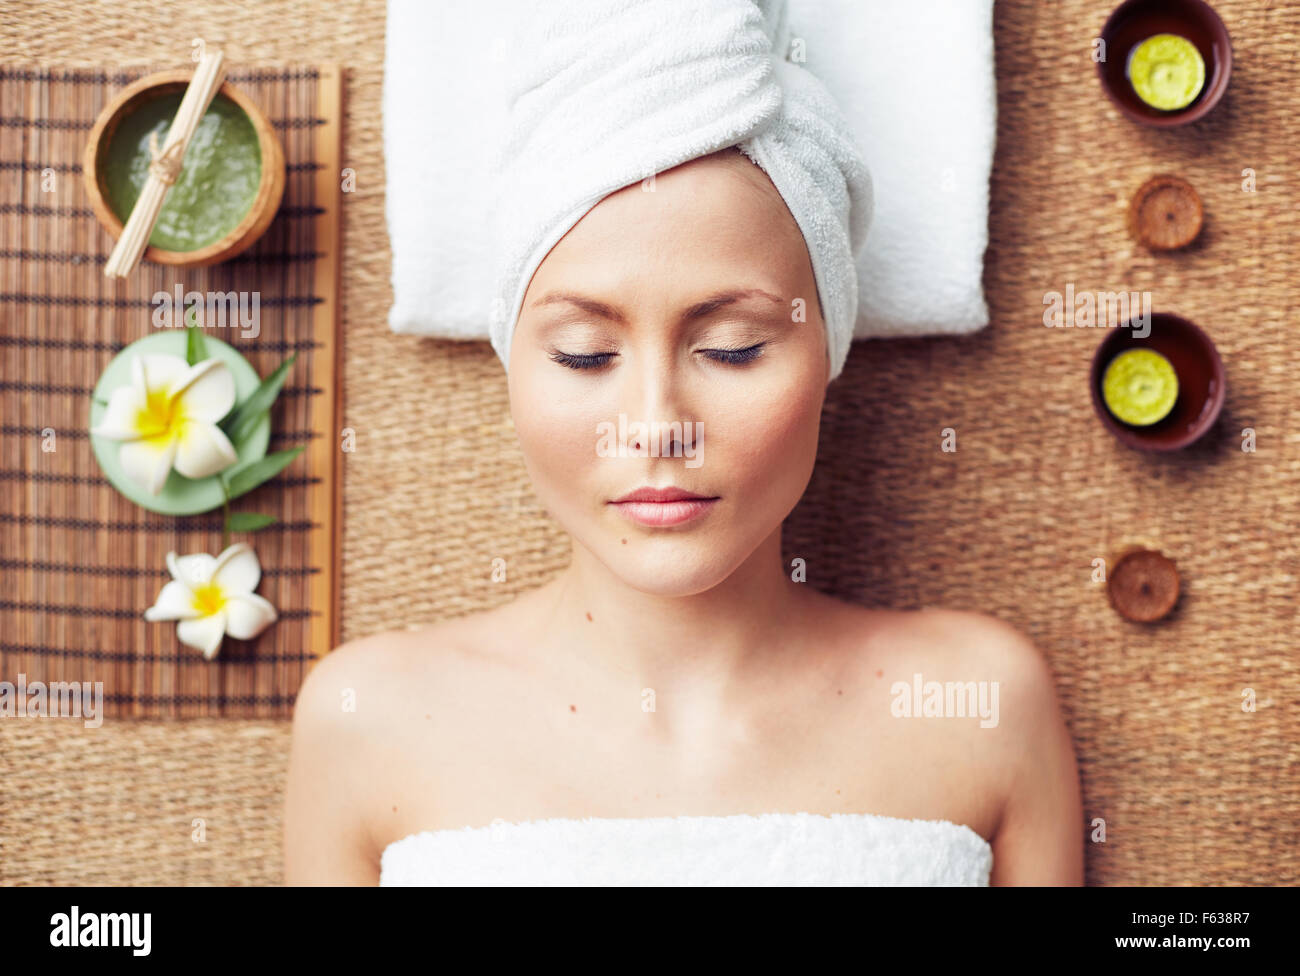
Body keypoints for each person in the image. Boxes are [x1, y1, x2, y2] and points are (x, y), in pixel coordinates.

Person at [283, 146, 1083, 885]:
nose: (657, 424)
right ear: (512, 367)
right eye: (585, 354)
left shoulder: (981, 703)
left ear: (827, 354)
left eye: (732, 348)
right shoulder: (368, 720)